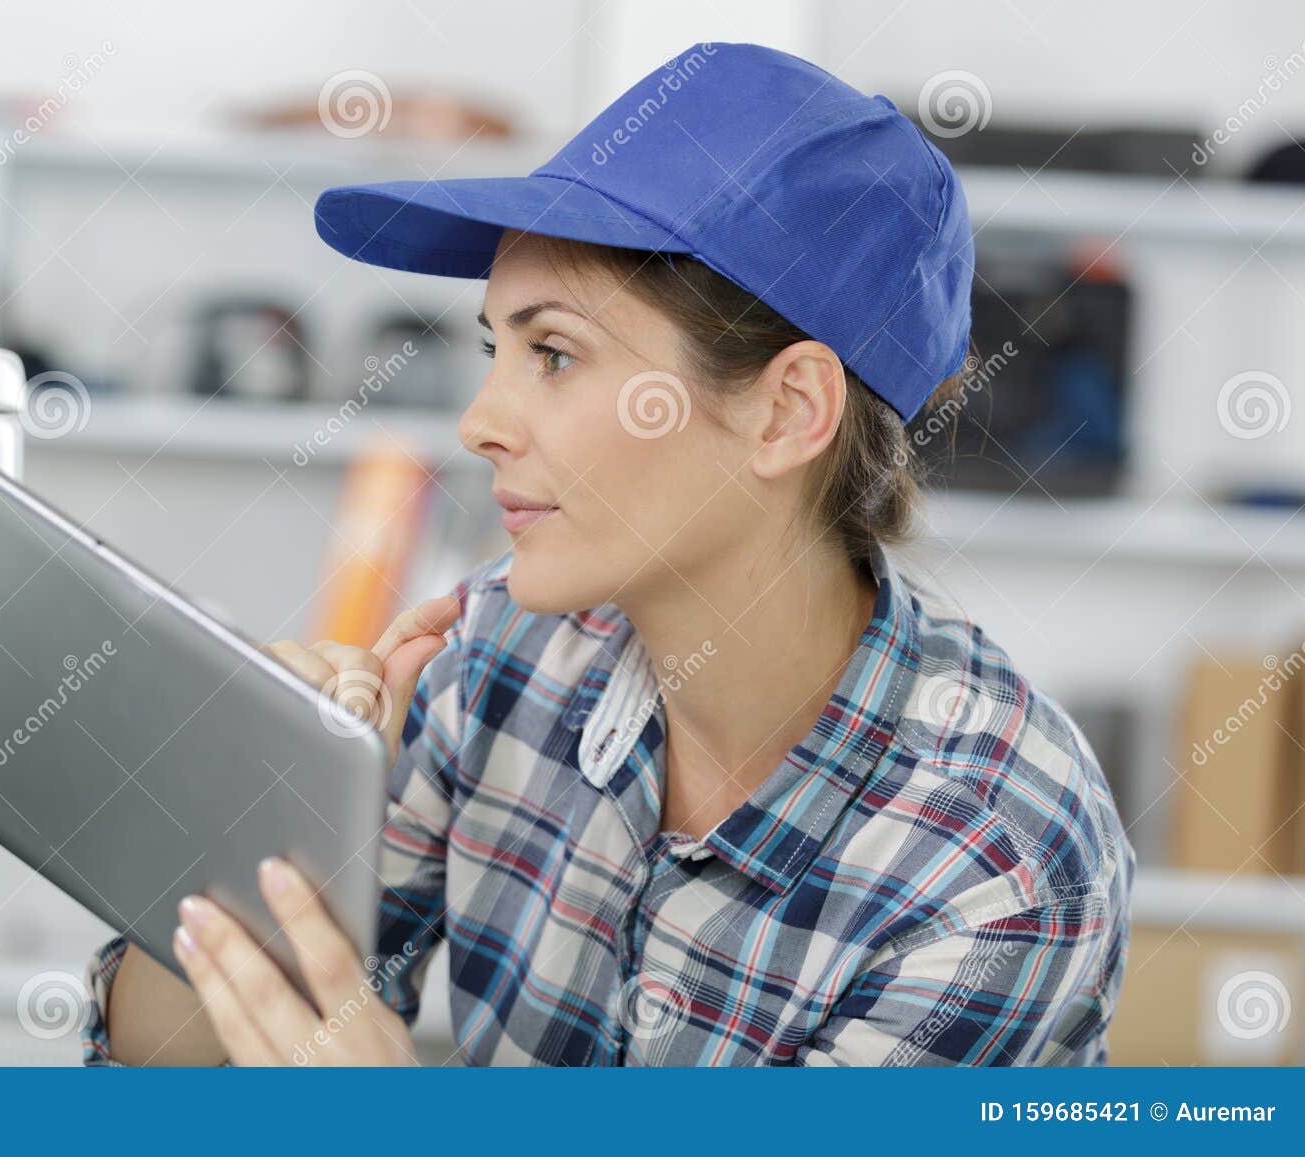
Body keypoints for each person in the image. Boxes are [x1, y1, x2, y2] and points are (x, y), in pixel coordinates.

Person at [81, 41, 1133, 1067]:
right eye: (498, 350)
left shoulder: (998, 868)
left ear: (786, 410)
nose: (479, 422)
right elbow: (167, 1073)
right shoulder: (491, 651)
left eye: (554, 352)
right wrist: (257, 827)